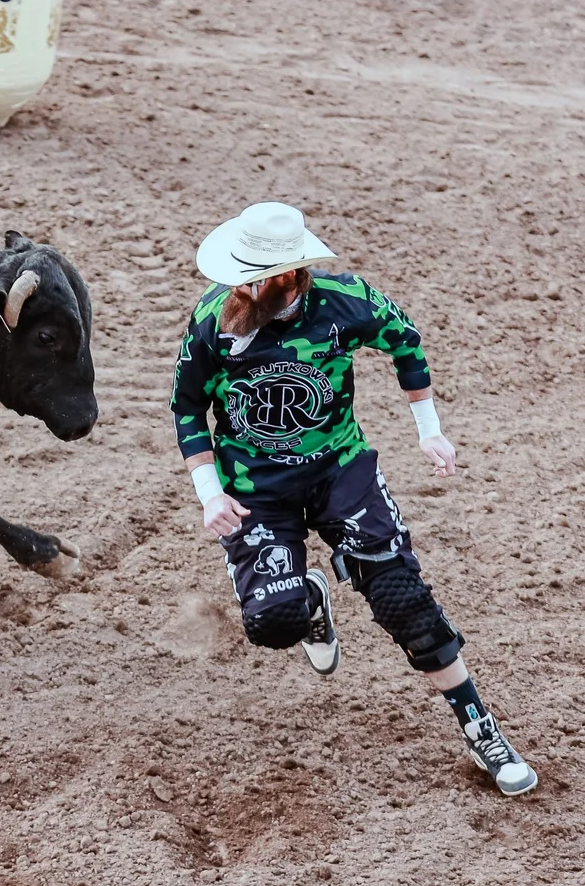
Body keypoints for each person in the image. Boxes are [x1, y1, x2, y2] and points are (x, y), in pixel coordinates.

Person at [170, 201, 536, 796]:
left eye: (251, 276)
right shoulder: (215, 319)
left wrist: (430, 430)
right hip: (254, 491)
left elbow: (406, 343)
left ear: (288, 275)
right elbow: (186, 406)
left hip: (341, 471)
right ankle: (308, 599)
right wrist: (208, 494)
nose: (237, 287)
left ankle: (480, 727)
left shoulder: (347, 304)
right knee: (271, 622)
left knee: (402, 599)